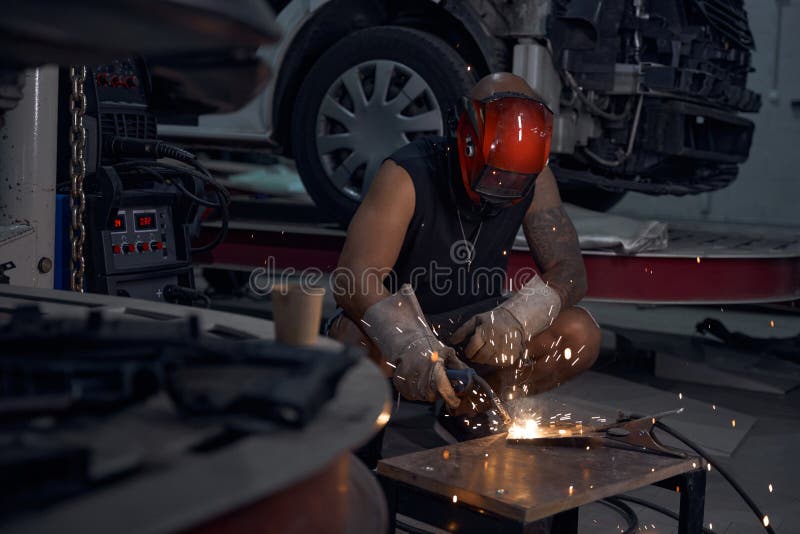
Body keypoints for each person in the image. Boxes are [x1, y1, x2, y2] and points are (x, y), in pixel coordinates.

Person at [328, 72, 601, 449]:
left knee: (579, 334)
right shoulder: (407, 175)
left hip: (477, 328)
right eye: (493, 179)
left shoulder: (535, 179)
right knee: (352, 340)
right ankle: (361, 448)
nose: (500, 194)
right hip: (399, 330)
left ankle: (469, 406)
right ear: (467, 144)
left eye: (513, 184)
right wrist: (412, 344)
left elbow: (571, 272)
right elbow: (353, 280)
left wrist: (517, 319)